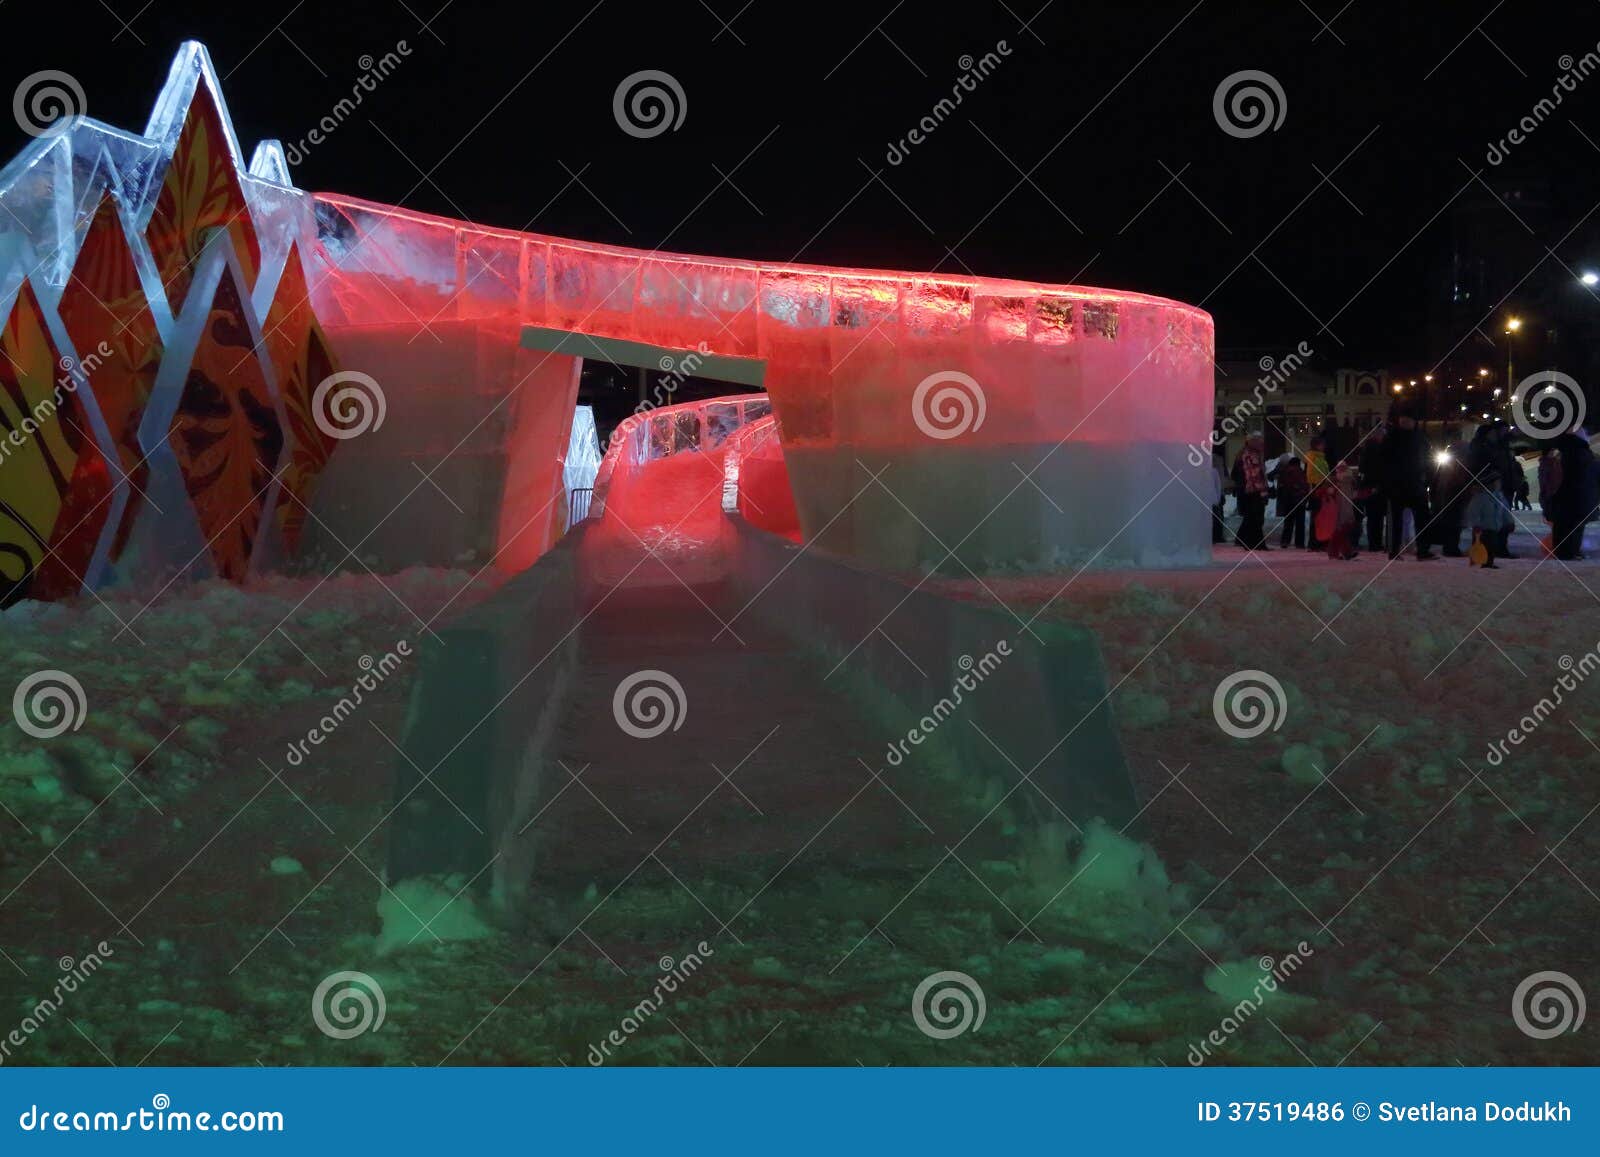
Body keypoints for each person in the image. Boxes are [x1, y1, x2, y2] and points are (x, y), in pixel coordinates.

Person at [1379, 407, 1438, 560]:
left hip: (1414, 484)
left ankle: (1422, 550)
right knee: (1398, 520)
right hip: (1399, 485)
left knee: (1421, 518)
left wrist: (1428, 478)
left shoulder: (1419, 437)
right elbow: (1384, 461)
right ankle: (1396, 551)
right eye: (1403, 420)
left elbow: (1428, 459)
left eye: (1407, 420)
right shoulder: (1394, 438)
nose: (1405, 423)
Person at [1463, 423, 1514, 569]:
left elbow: (1504, 509)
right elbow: (1474, 510)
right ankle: (1478, 559)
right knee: (1482, 539)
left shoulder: (1495, 446)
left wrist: (1508, 520)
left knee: (1491, 542)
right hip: (1483, 482)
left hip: (1493, 523)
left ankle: (1487, 560)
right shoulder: (1481, 448)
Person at [1549, 427, 1598, 561]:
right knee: (1574, 525)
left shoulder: (1565, 452)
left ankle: (1566, 551)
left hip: (1568, 495)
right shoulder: (1581, 453)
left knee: (1566, 524)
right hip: (1578, 495)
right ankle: (1569, 551)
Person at [1430, 428, 1469, 557]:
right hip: (1457, 491)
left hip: (1447, 492)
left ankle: (1449, 546)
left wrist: (1434, 493)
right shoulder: (1465, 454)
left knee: (1449, 521)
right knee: (1455, 522)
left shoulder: (1449, 455)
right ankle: (1451, 547)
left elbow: (1437, 477)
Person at [1231, 434, 1271, 550]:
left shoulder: (1245, 454)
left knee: (1252, 517)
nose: (1263, 445)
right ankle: (1254, 542)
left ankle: (1249, 541)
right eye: (1260, 442)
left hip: (1248, 490)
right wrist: (1263, 491)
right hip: (1253, 491)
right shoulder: (1251, 455)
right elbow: (1255, 476)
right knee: (1255, 518)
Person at [1320, 461, 1361, 560]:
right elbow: (1353, 495)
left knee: (1340, 531)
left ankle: (1339, 552)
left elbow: (1329, 493)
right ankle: (1343, 552)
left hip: (1339, 509)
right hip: (1345, 509)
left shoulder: (1336, 481)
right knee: (1341, 532)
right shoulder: (1349, 480)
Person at [1358, 424, 1387, 552]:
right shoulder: (1376, 450)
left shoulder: (1367, 448)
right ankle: (1376, 543)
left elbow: (1363, 468)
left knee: (1373, 516)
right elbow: (1377, 469)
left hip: (1370, 486)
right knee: (1377, 517)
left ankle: (1374, 543)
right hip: (1375, 486)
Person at [1303, 435, 1330, 551]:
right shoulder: (1317, 458)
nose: (1324, 447)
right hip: (1319, 490)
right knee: (1319, 518)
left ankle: (1315, 542)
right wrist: (1326, 485)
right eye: (1322, 444)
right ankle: (1316, 543)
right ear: (1318, 445)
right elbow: (1319, 475)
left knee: (1317, 517)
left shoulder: (1313, 457)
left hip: (1316, 489)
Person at [1275, 454, 1309, 547]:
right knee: (1300, 523)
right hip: (1299, 500)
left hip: (1288, 501)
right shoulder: (1301, 472)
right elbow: (1305, 486)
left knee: (1288, 523)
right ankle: (1299, 543)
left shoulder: (1284, 472)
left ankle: (1285, 541)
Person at [1209, 450, 1229, 545]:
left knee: (1215, 518)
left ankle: (1215, 536)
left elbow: (1218, 483)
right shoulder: (1217, 463)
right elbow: (1219, 484)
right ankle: (1216, 536)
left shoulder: (1214, 468)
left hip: (1213, 498)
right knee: (1216, 517)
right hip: (1214, 497)